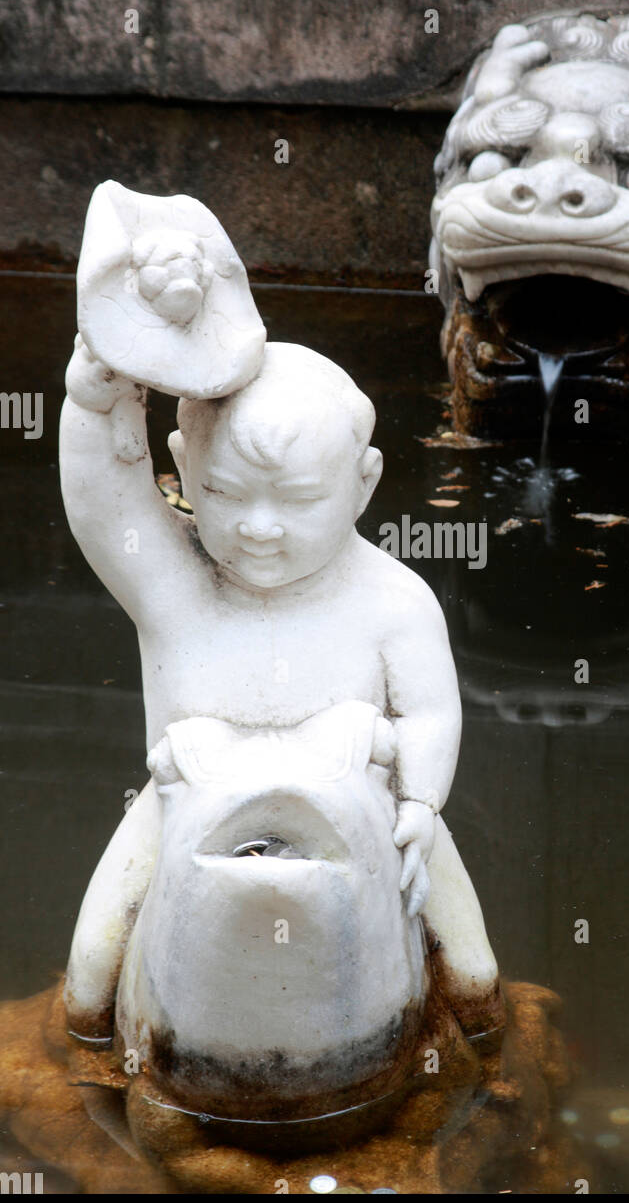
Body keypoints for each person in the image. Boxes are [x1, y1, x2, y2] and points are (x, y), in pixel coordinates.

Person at [60, 335, 502, 1046]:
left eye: (298, 500)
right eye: (224, 493)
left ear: (363, 482)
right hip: (180, 807)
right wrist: (96, 397)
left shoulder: (394, 600)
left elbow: (428, 712)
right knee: (88, 975)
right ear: (182, 465)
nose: (259, 528)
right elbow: (102, 506)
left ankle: (483, 1059)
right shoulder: (171, 582)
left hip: (377, 808)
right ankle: (91, 1068)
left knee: (475, 976)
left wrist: (421, 802)